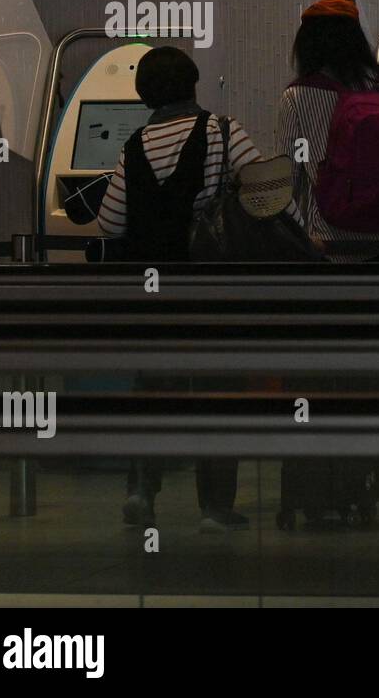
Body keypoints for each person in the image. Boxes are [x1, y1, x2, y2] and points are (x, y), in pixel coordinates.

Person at [97, 46, 277, 532]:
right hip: (213, 287)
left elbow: (111, 222)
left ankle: (141, 489)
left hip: (154, 292)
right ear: (193, 82)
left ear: (144, 93)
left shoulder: (134, 145)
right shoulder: (222, 130)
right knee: (220, 391)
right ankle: (214, 507)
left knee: (152, 390)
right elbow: (264, 192)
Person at [277, 0, 379, 260]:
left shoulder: (297, 97)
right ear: (357, 39)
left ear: (306, 44)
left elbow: (290, 180)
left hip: (332, 245)